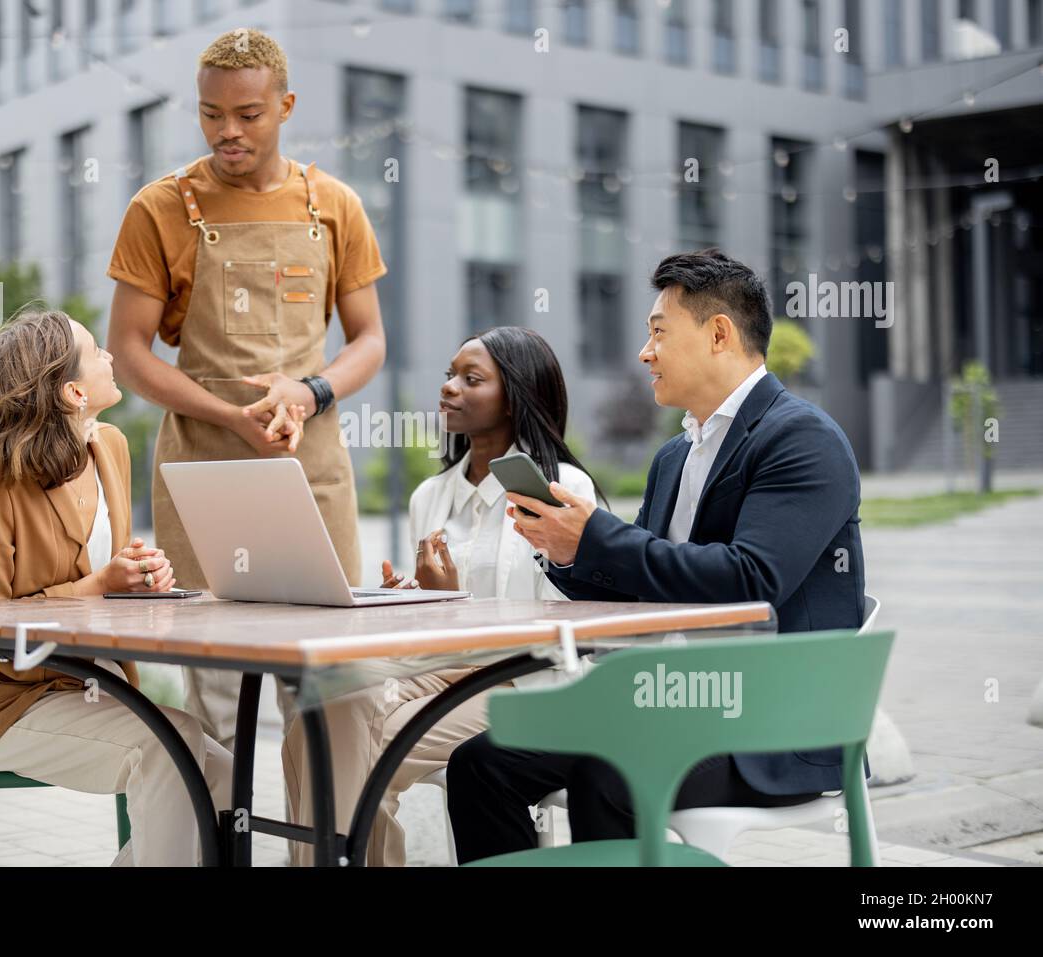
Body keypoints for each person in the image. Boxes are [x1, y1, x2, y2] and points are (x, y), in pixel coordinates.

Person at [447, 249, 867, 863]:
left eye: (658, 332)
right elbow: (638, 585)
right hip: (666, 699)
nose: (645, 353)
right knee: (483, 764)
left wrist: (596, 536)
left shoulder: (802, 439)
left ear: (718, 333)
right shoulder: (676, 456)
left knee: (609, 774)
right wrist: (562, 549)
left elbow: (750, 582)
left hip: (765, 724)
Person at [107, 28, 387, 750]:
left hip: (312, 468)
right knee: (222, 695)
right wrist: (230, 415)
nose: (226, 132)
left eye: (248, 115)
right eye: (210, 115)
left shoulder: (336, 206)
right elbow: (128, 353)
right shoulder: (159, 209)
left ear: (286, 106)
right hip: (208, 469)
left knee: (330, 691)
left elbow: (370, 341)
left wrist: (310, 392)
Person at [282, 327, 603, 865]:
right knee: (319, 715)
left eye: (470, 379)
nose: (449, 388)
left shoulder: (562, 490)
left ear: (516, 397)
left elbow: (566, 622)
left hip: (526, 679)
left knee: (364, 748)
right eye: (449, 375)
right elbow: (435, 627)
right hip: (440, 668)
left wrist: (455, 604)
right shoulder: (430, 496)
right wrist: (413, 600)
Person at [0, 309, 232, 866]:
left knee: (229, 780)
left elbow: (105, 575)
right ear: (72, 391)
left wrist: (141, 577)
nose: (111, 357)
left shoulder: (109, 447)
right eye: (97, 352)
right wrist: (99, 584)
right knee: (168, 750)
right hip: (3, 703)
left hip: (95, 688)